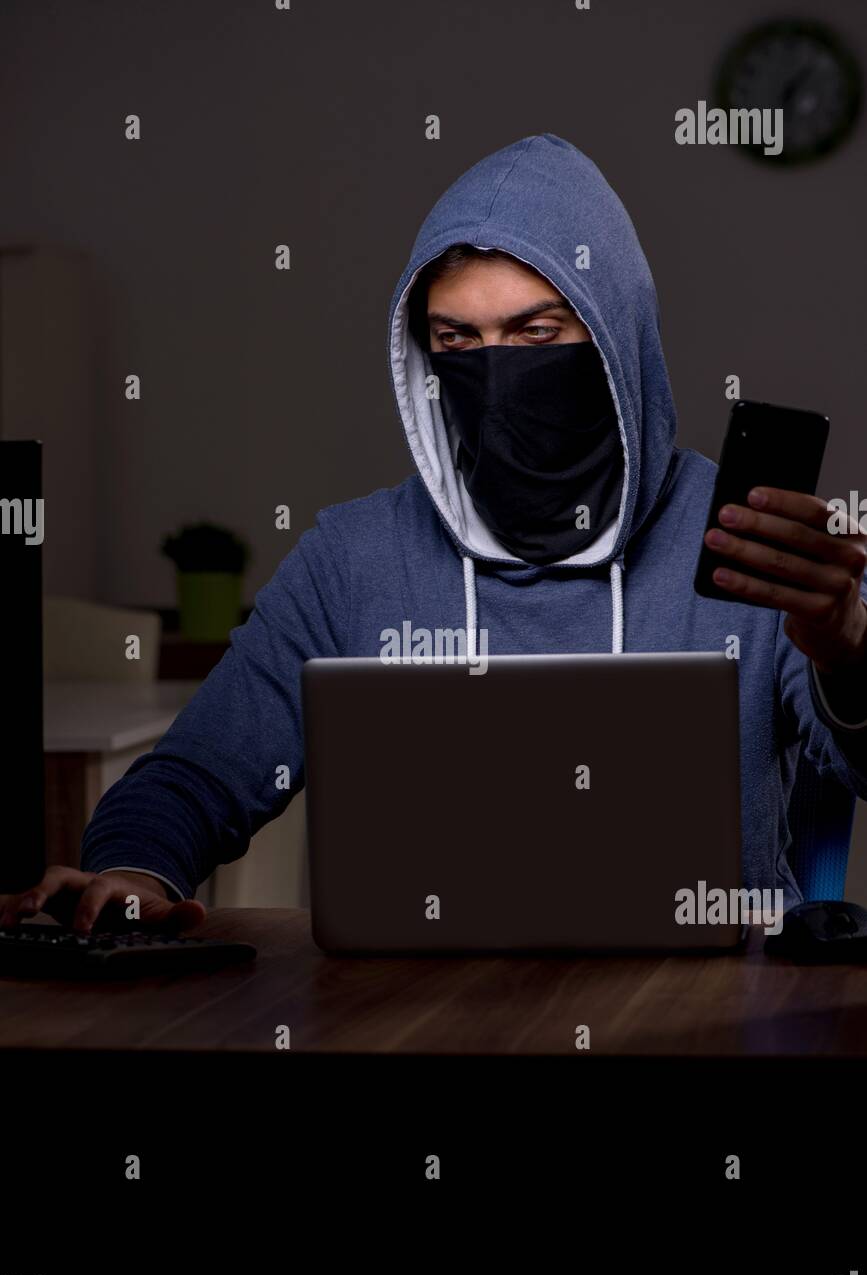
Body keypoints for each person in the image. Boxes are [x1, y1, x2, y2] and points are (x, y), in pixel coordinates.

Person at [3, 132, 866, 935]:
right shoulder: (352, 559)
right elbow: (197, 773)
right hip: (420, 1010)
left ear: (615, 342)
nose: (497, 371)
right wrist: (136, 873)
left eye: (536, 333)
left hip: (705, 1013)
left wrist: (844, 648)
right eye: (458, 339)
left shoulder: (747, 542)